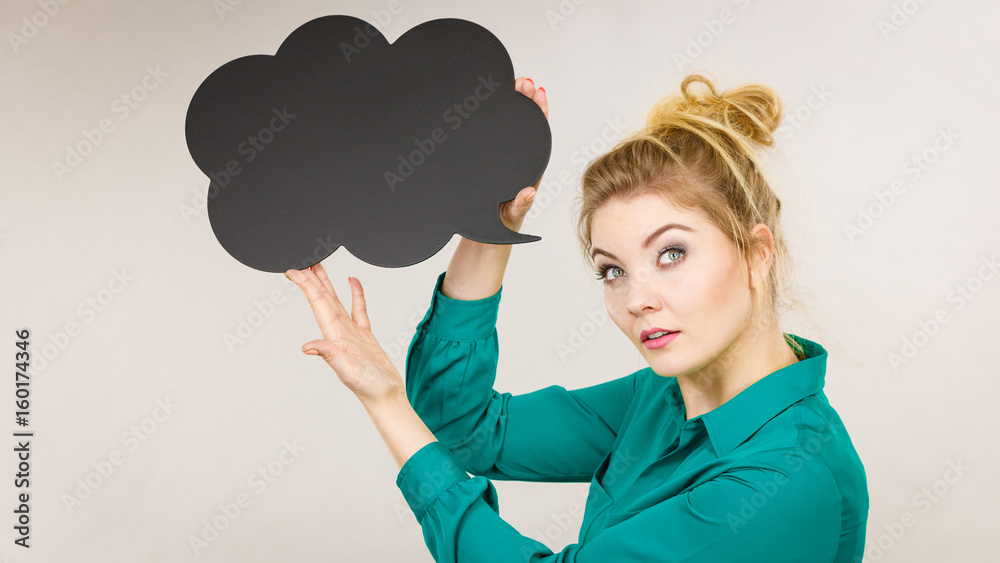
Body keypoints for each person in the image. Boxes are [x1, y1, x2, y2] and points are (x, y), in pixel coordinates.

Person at [285, 72, 869, 562]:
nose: (637, 298)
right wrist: (495, 228)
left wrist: (386, 401)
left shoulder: (787, 478)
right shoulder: (663, 399)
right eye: (613, 270)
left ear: (756, 253)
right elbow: (464, 428)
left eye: (671, 254)